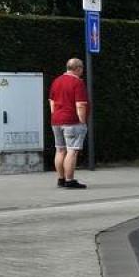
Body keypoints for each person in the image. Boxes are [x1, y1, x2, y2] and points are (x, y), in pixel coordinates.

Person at [49, 58, 89, 189]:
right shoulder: (77, 83)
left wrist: (55, 115)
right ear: (77, 68)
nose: (82, 71)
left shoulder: (56, 81)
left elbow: (52, 102)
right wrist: (82, 122)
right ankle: (70, 180)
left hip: (56, 120)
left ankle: (61, 179)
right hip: (72, 121)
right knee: (72, 151)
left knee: (60, 149)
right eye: (82, 68)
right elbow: (81, 105)